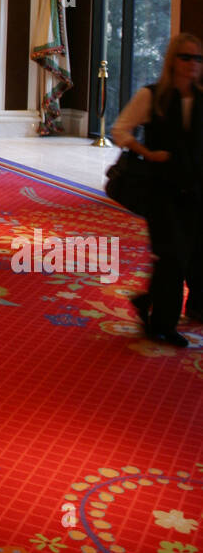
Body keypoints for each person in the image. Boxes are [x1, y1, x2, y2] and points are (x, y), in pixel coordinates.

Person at [111, 32, 203, 348]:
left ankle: (148, 301)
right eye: (185, 57)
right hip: (162, 190)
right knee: (172, 256)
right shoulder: (152, 96)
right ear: (172, 61)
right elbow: (120, 129)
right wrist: (148, 153)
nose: (192, 64)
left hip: (195, 190)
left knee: (185, 256)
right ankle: (162, 325)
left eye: (197, 58)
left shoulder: (201, 99)